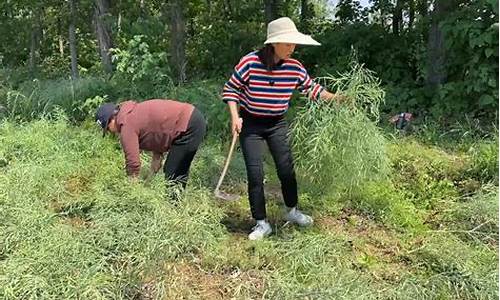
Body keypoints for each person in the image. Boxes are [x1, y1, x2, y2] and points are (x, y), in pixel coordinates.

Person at [222, 17, 345, 240]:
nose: (292, 48)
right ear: (274, 44)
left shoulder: (294, 67)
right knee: (255, 173)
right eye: (287, 43)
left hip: (277, 124)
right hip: (251, 124)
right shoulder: (249, 62)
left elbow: (312, 90)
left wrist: (338, 98)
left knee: (286, 169)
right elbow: (231, 90)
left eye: (293, 43)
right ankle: (261, 223)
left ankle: (292, 211)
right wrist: (235, 117)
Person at [95, 99, 206, 188]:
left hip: (188, 125)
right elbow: (156, 130)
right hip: (192, 119)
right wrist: (156, 160)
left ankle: (173, 208)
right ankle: (178, 205)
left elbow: (132, 161)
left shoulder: (126, 124)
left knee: (173, 171)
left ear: (112, 119)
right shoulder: (131, 112)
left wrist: (131, 188)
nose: (111, 132)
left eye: (108, 129)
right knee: (179, 169)